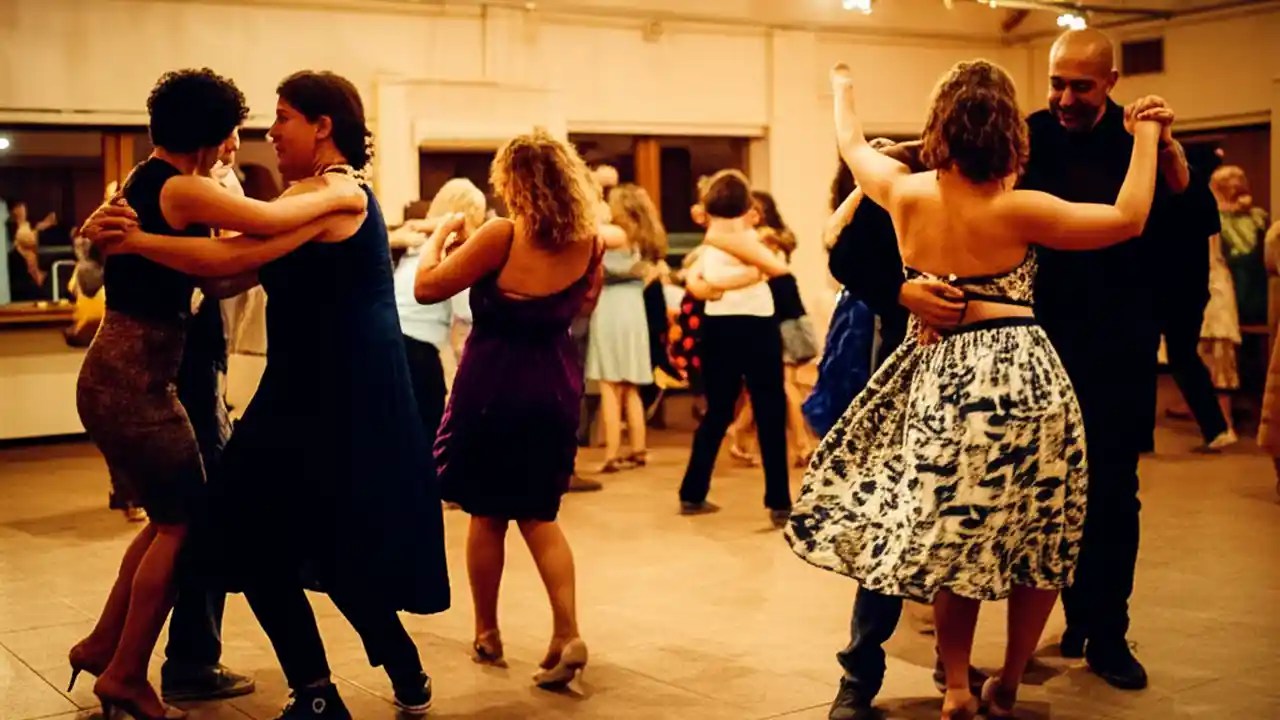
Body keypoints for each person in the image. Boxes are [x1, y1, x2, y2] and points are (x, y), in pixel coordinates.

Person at [788, 58, 1166, 720]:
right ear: (1009, 135)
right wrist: (1148, 137)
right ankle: (1010, 680)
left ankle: (957, 684)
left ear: (940, 124)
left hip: (945, 378)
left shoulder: (905, 193)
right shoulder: (1022, 208)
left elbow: (852, 146)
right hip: (1027, 377)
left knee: (951, 537)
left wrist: (842, 87)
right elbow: (1130, 217)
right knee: (1043, 536)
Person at [86, 71, 450, 720]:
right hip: (291, 396)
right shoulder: (303, 199)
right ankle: (314, 691)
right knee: (245, 538)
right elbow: (224, 268)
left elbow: (249, 234)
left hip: (348, 401)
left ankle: (401, 663)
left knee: (339, 555)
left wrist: (136, 238)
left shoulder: (341, 193)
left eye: (282, 117)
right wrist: (131, 235)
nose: (269, 132)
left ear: (323, 126)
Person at [1022, 29, 1206, 690]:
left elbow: (1189, 223)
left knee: (1112, 496)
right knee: (1046, 495)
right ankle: (1071, 612)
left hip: (1118, 348)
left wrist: (1172, 155)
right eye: (1057, 82)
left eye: (1081, 85)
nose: (1065, 97)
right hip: (1039, 346)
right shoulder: (1026, 137)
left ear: (1111, 81)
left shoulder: (1139, 143)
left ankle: (1107, 631)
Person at [418, 129, 601, 689]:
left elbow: (427, 288)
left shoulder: (500, 235)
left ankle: (487, 631)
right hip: (553, 388)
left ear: (512, 183)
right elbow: (583, 302)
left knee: (486, 513)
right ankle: (567, 631)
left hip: (492, 388)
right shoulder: (591, 242)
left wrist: (441, 235)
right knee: (540, 517)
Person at [679, 170, 792, 526]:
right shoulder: (748, 238)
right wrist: (752, 274)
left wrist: (716, 283)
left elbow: (698, 280)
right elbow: (777, 270)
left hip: (719, 327)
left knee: (718, 411)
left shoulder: (711, 240)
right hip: (757, 324)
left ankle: (692, 493)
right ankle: (779, 503)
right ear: (747, 205)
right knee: (770, 410)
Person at [392, 178, 483, 457]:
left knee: (400, 425)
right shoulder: (450, 249)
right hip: (417, 345)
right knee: (428, 426)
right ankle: (425, 496)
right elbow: (466, 310)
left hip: (393, 336)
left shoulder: (416, 241)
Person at [588, 183, 660, 473]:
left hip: (612, 308)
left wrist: (593, 206)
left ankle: (612, 453)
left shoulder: (617, 234)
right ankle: (638, 447)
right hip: (632, 308)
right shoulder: (643, 236)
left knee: (608, 383)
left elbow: (587, 231)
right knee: (629, 385)